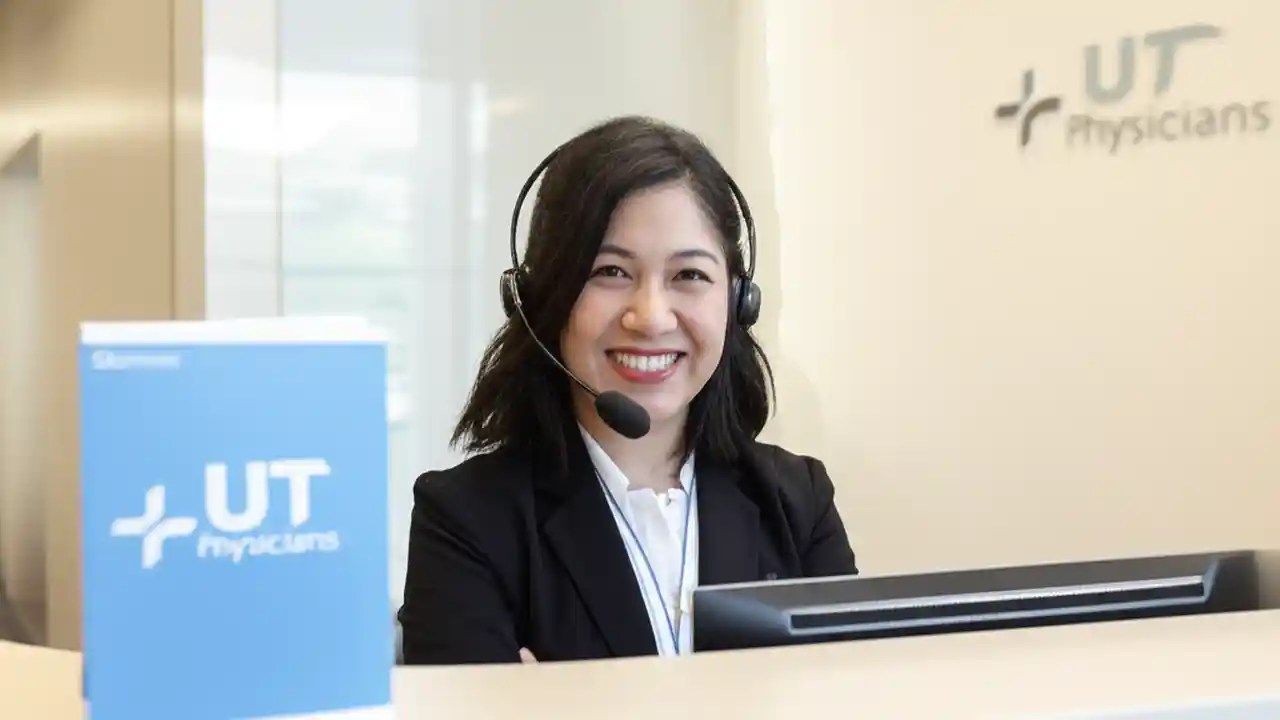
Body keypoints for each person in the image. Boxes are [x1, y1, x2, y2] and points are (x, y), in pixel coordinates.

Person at [397, 115, 857, 665]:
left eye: (689, 276)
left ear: (739, 303)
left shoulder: (797, 502)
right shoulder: (467, 520)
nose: (651, 316)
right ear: (541, 296)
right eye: (611, 272)